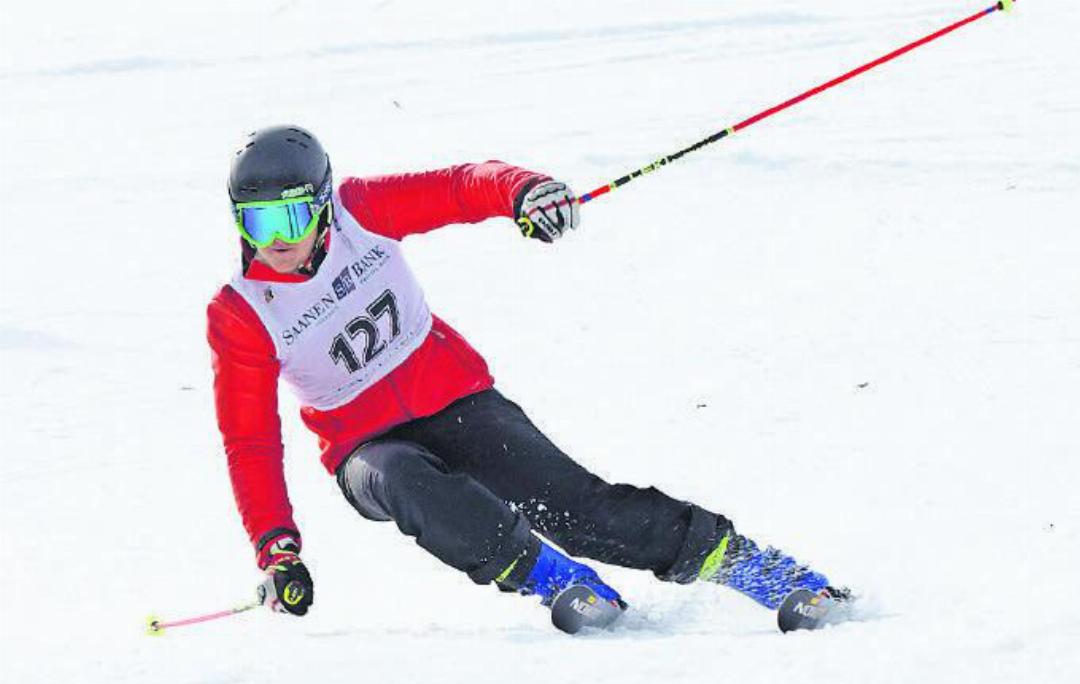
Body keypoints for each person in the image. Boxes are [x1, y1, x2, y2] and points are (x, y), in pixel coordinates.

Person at [208, 124, 845, 630]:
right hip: (363, 449)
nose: (276, 242)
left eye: (290, 219)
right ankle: (553, 579)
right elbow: (250, 440)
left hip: (453, 398)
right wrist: (276, 547)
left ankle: (757, 570)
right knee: (406, 480)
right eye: (255, 222)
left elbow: (462, 185)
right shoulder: (241, 312)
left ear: (321, 206)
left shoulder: (361, 212)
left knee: (575, 507)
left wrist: (523, 191)